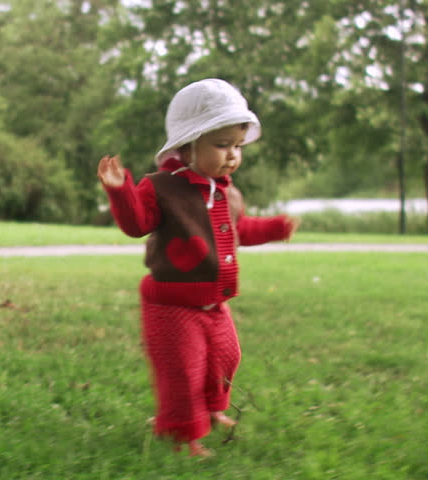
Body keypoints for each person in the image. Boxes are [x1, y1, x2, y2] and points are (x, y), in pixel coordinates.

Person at [97, 78, 298, 457]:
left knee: (226, 357)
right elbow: (136, 223)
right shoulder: (161, 187)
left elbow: (240, 230)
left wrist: (274, 228)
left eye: (238, 146)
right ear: (188, 146)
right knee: (183, 371)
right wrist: (120, 190)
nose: (232, 155)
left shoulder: (226, 192)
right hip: (171, 306)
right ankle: (181, 435)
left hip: (213, 304)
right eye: (221, 145)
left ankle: (211, 409)